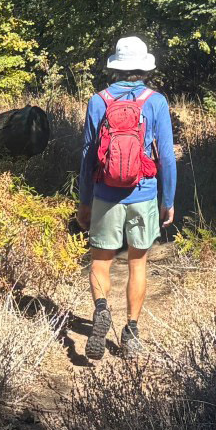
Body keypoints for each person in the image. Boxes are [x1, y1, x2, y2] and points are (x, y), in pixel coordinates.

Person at [75, 35, 176, 360]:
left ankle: (102, 309)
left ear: (116, 67)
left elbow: (88, 157)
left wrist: (85, 201)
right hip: (143, 194)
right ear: (144, 68)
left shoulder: (98, 100)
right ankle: (131, 333)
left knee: (100, 262)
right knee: (137, 263)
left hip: (105, 194)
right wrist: (168, 200)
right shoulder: (156, 101)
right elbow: (167, 157)